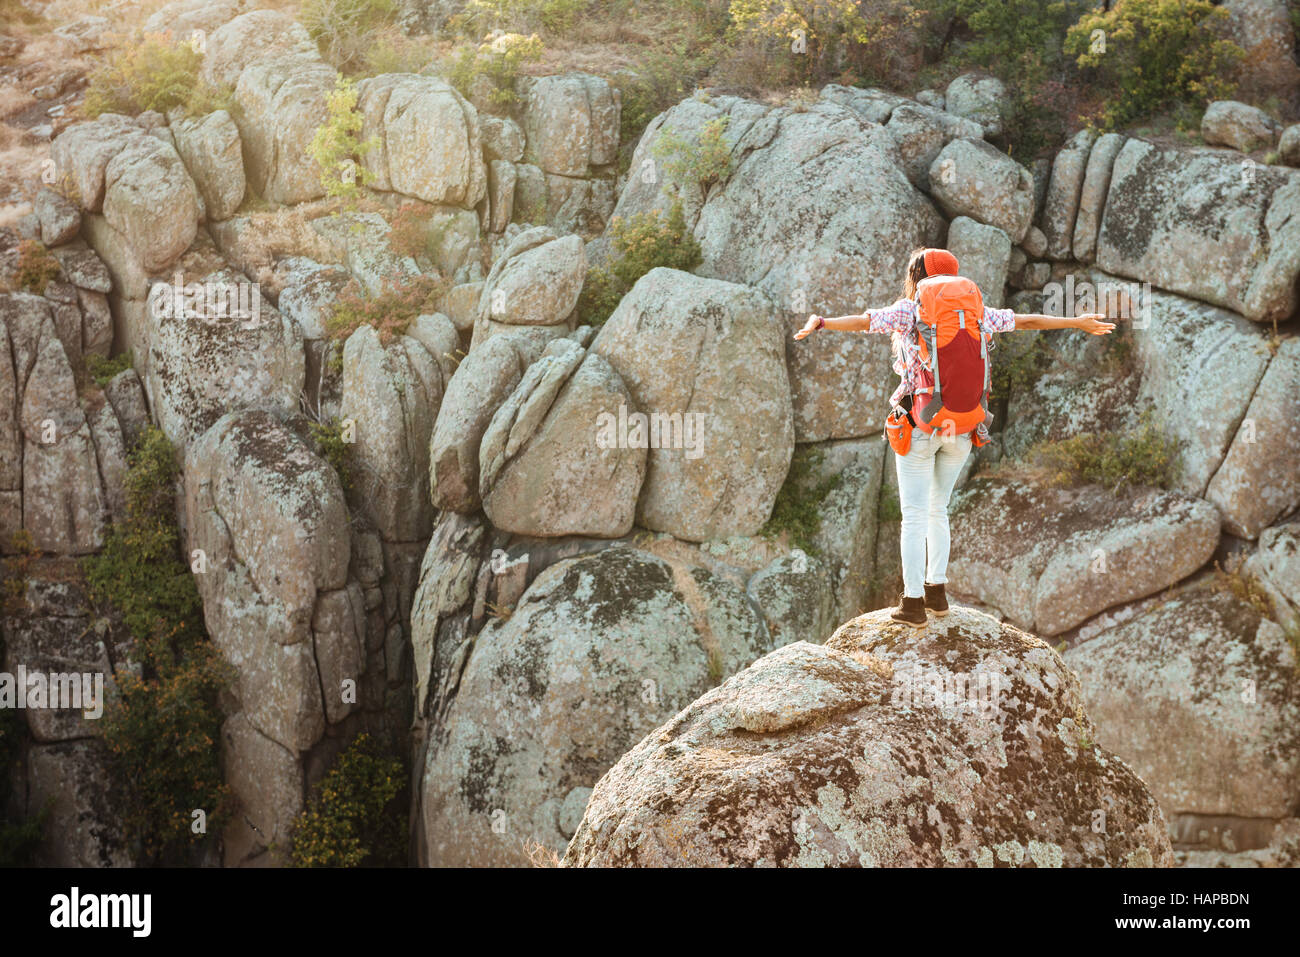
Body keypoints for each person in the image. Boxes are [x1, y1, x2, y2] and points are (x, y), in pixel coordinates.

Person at [793, 247, 1116, 627]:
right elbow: (1025, 321)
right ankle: (938, 594)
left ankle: (912, 604)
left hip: (920, 424)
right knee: (938, 510)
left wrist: (823, 323)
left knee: (913, 515)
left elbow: (866, 321)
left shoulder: (911, 310)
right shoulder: (975, 311)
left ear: (918, 276)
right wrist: (1075, 323)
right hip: (963, 427)